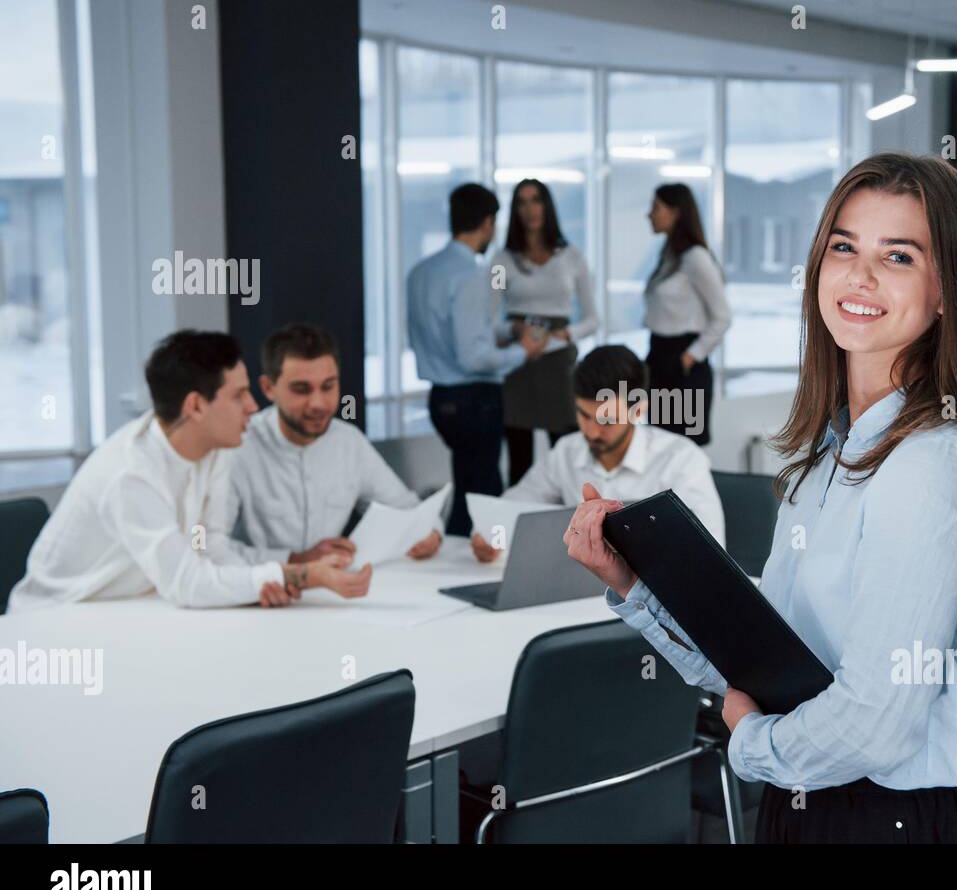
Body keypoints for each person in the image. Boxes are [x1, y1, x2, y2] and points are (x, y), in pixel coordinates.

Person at [566, 153, 957, 844]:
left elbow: (877, 724)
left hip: (891, 821)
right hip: (814, 801)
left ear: (949, 290)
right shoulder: (828, 455)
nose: (861, 275)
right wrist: (636, 582)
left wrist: (754, 745)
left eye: (900, 255)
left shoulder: (932, 468)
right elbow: (765, 668)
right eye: (844, 246)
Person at [8, 330, 372, 612]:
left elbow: (209, 549)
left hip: (133, 609)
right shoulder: (131, 474)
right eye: (239, 395)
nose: (252, 406)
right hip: (57, 622)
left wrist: (258, 584)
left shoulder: (216, 450)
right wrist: (302, 576)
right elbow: (187, 583)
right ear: (196, 405)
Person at [469, 345, 724, 563]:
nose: (591, 432)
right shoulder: (567, 452)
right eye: (584, 415)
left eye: (607, 420)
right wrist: (491, 533)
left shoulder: (681, 460)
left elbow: (713, 554)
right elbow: (511, 506)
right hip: (572, 597)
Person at [228, 323, 443, 565]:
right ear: (269, 388)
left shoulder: (348, 442)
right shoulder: (238, 447)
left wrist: (431, 533)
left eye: (328, 386)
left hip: (333, 592)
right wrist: (293, 560)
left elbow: (409, 509)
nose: (318, 403)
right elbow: (206, 549)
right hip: (255, 594)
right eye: (301, 389)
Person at [407, 183, 550, 536]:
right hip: (475, 401)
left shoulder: (422, 271)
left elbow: (447, 332)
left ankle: (451, 564)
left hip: (441, 399)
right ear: (488, 223)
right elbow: (474, 357)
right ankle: (482, 576)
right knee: (484, 501)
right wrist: (524, 352)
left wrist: (504, 329)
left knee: (468, 490)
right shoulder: (470, 275)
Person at [490, 179, 597, 485]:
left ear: (547, 205)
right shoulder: (502, 261)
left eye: (536, 200)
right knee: (519, 459)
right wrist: (514, 327)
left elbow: (592, 319)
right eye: (522, 202)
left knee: (569, 456)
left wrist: (565, 335)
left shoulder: (572, 257)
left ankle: (575, 526)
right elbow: (489, 320)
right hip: (517, 363)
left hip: (558, 364)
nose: (530, 209)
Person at [641, 183, 730, 447]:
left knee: (682, 456)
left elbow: (722, 317)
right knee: (657, 450)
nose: (650, 214)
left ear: (676, 212)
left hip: (683, 366)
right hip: (659, 359)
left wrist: (689, 357)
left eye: (656, 207)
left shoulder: (696, 257)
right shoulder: (670, 255)